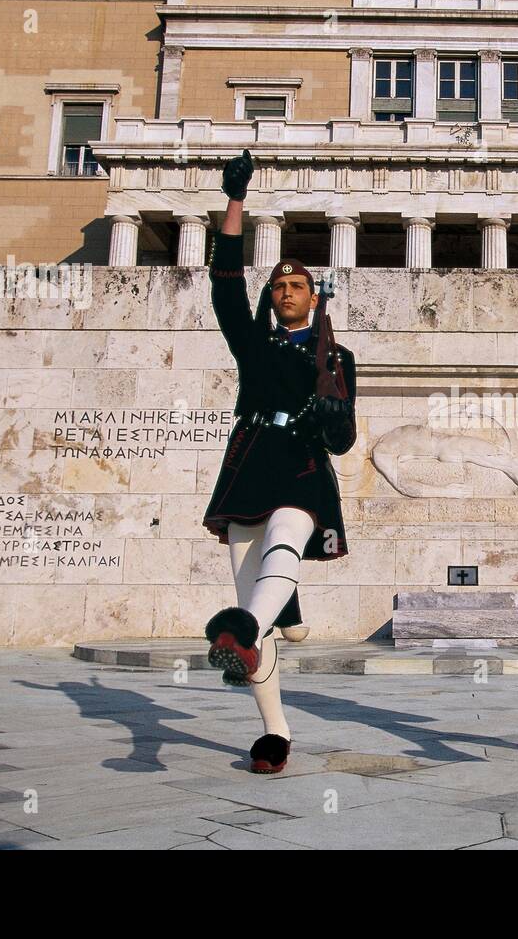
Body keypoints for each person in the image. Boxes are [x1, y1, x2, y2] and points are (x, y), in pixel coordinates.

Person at [200, 149, 357, 775]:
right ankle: (274, 728)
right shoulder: (254, 342)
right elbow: (224, 284)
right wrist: (234, 204)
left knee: (288, 539)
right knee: (252, 593)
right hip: (251, 459)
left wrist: (329, 418)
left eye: (298, 285)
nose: (287, 292)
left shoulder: (336, 358)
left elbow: (345, 437)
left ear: (315, 297)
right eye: (280, 285)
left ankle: (244, 624)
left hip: (301, 464)